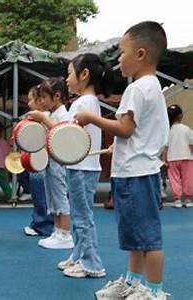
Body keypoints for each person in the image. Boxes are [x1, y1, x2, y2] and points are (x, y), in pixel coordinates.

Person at [76, 21, 169, 299]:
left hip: (137, 174)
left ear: (140, 54)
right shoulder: (150, 87)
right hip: (135, 171)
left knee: (148, 238)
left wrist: (92, 118)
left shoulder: (138, 89)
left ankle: (153, 292)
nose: (118, 59)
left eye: (121, 52)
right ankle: (132, 282)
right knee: (136, 237)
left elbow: (126, 129)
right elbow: (137, 134)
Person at [58, 53, 113, 278]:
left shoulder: (84, 103)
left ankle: (92, 263)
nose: (67, 78)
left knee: (82, 216)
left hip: (82, 167)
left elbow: (66, 134)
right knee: (80, 214)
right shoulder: (85, 102)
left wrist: (43, 121)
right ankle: (79, 254)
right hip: (81, 166)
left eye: (70, 73)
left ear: (84, 74)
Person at [28, 78, 74, 250]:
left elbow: (61, 133)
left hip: (59, 163)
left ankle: (65, 233)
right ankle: (57, 230)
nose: (41, 102)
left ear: (57, 96)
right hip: (51, 161)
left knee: (60, 196)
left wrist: (42, 118)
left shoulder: (63, 114)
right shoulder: (52, 114)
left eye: (44, 97)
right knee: (52, 198)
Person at [22, 85, 54, 237]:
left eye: (31, 100)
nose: (29, 103)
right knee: (39, 194)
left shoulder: (46, 117)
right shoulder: (42, 117)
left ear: (40, 101)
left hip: (42, 161)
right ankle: (40, 222)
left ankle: (43, 225)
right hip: (38, 160)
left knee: (42, 194)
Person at [163, 104, 193, 208]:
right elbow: (191, 144)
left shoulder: (168, 131)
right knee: (188, 178)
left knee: (174, 179)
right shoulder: (187, 129)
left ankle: (178, 199)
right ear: (181, 116)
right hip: (187, 157)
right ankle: (188, 199)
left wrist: (164, 159)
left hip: (172, 158)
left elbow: (165, 147)